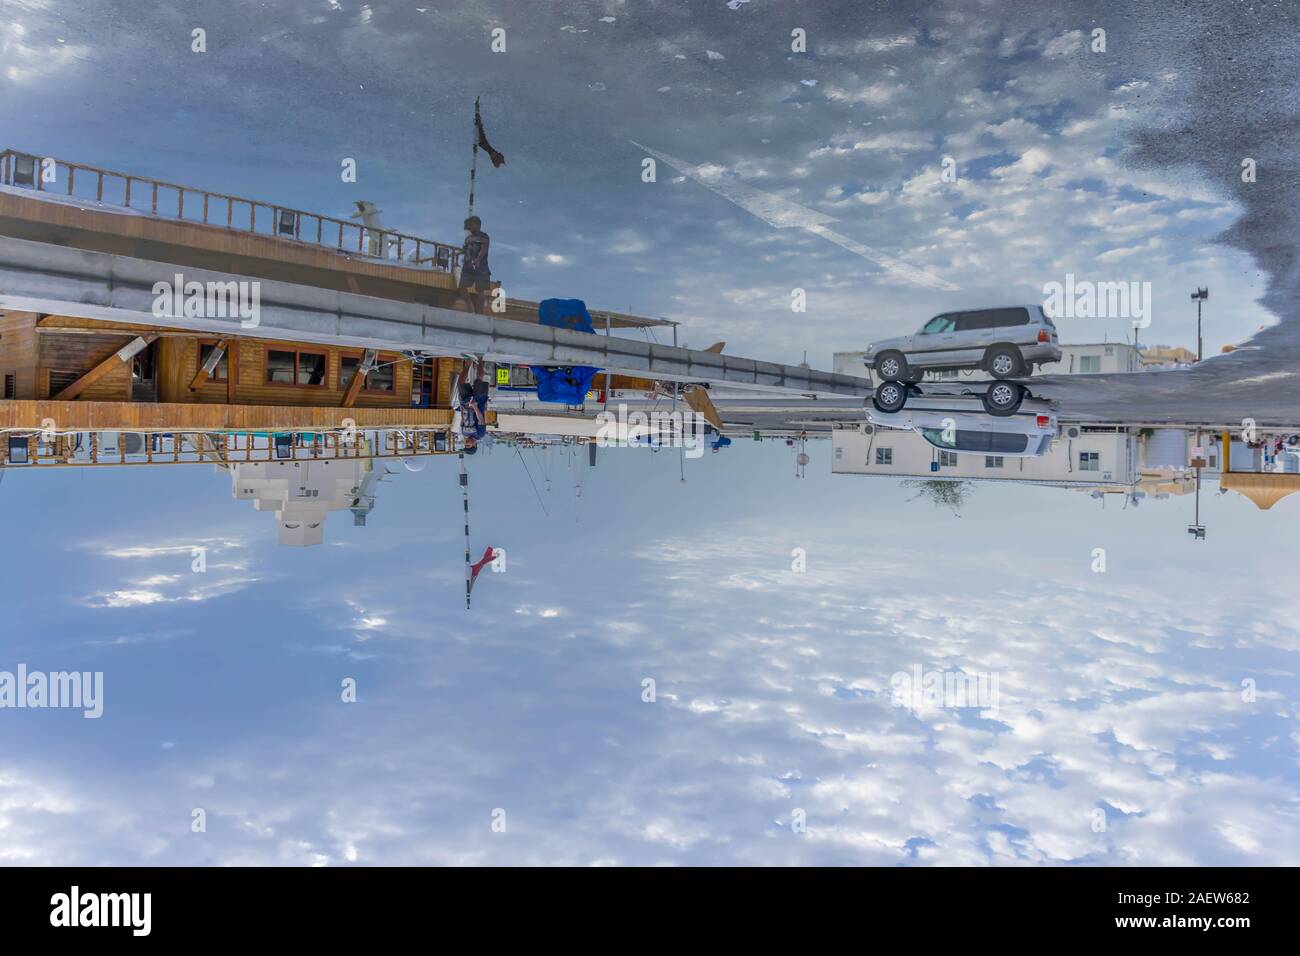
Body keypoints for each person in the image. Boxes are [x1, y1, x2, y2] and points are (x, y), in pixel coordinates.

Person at [456, 357, 491, 455]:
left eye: (465, 445)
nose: (466, 443)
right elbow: (481, 420)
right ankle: (480, 359)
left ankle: (468, 364)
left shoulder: (464, 433)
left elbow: (463, 419)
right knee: (478, 381)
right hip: (478, 403)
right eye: (468, 445)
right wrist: (475, 406)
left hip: (465, 404)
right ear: (474, 445)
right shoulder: (480, 434)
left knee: (460, 384)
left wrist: (461, 404)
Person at [458, 216, 491, 314]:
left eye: (471, 224)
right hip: (468, 267)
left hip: (480, 267)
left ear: (477, 225)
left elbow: (484, 249)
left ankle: (479, 313)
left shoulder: (483, 236)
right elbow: (466, 250)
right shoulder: (468, 239)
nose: (469, 227)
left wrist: (478, 259)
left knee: (480, 290)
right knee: (462, 287)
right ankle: (470, 309)